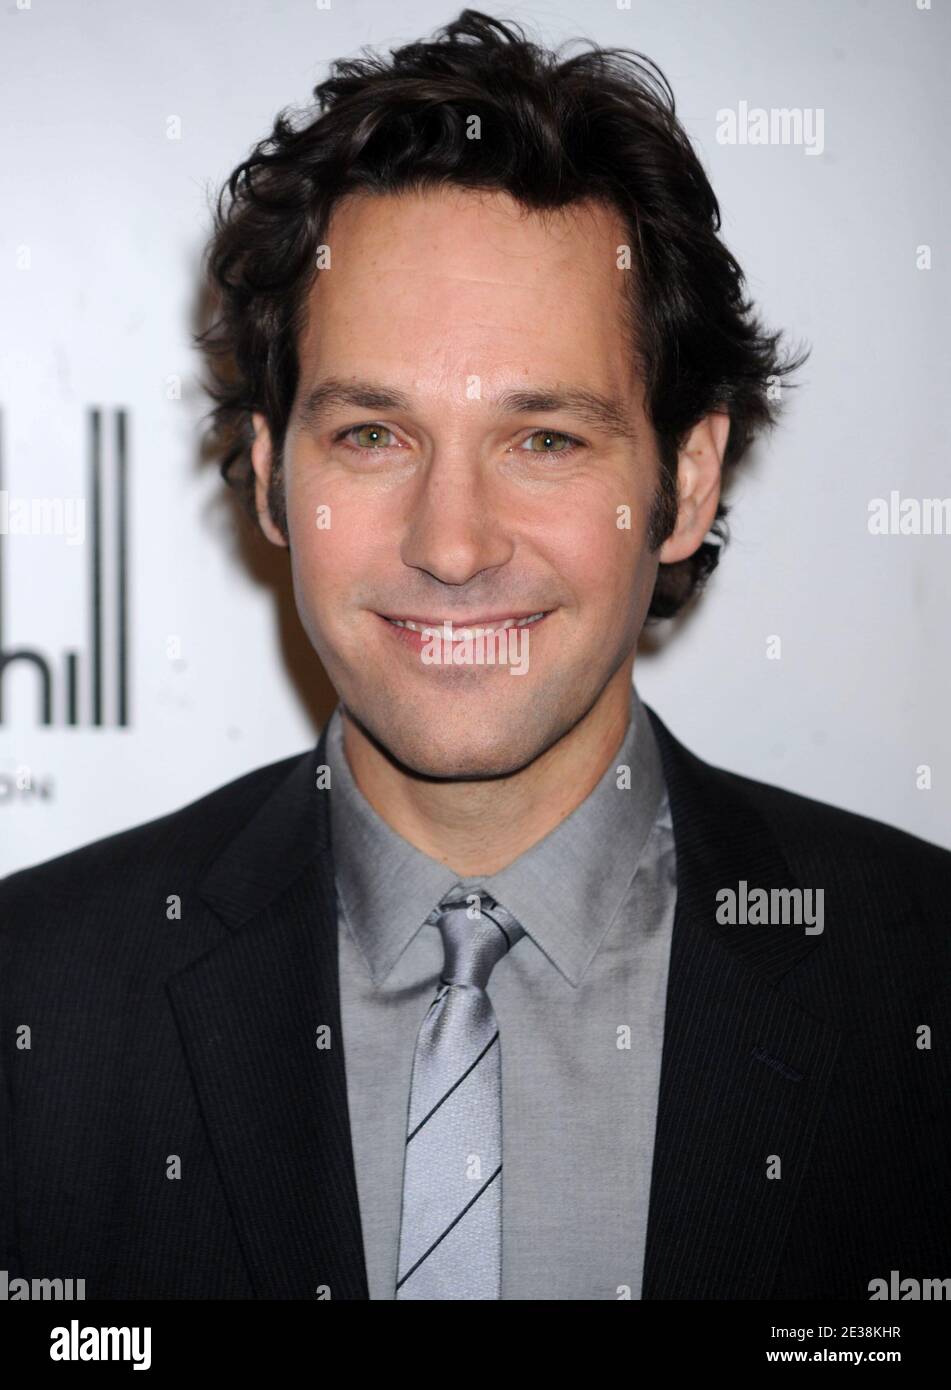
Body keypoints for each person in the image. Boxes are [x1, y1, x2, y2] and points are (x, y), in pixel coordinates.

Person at [1, 9, 948, 1302]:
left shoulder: (917, 974)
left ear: (685, 478)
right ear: (273, 478)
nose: (451, 544)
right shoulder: (38, 1000)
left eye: (545, 438)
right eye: (373, 436)